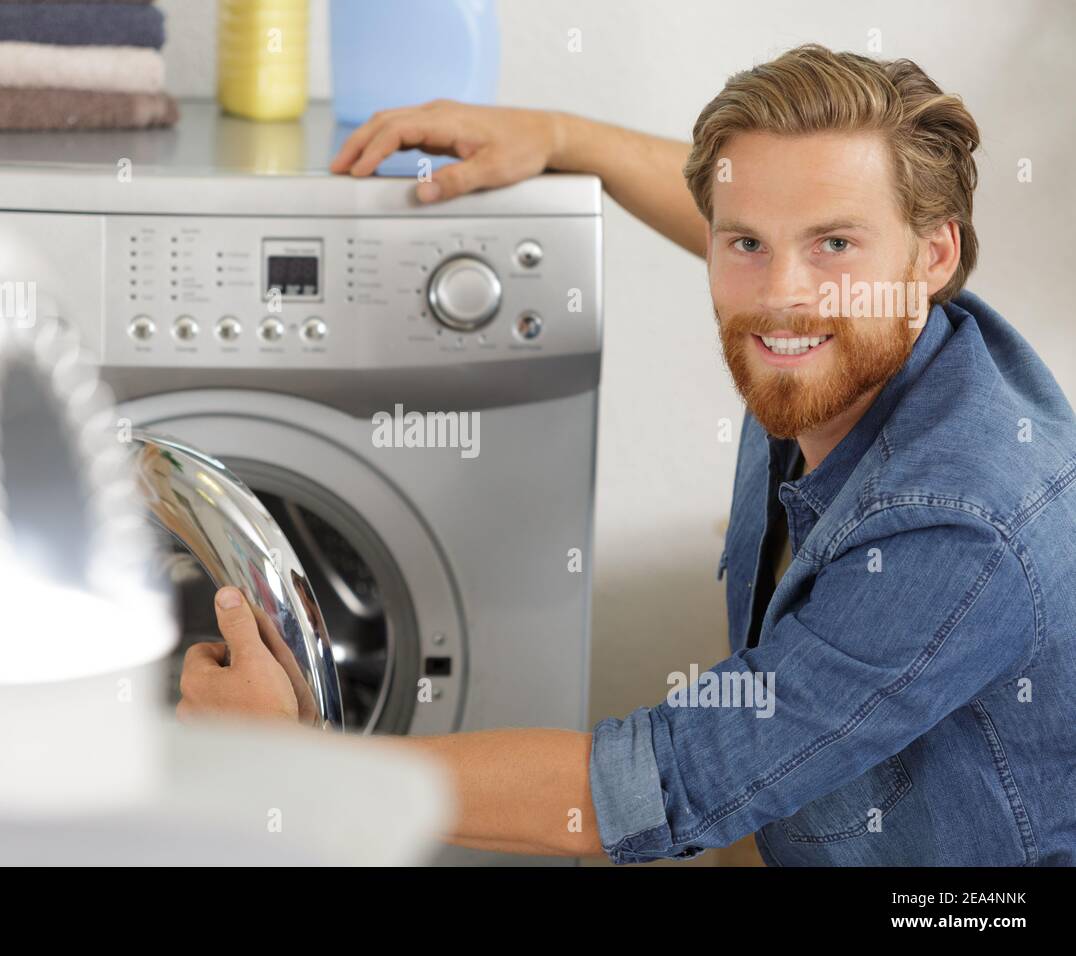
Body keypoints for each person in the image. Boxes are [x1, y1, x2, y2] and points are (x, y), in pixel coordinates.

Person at [178, 44, 1076, 865]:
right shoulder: (861, 337)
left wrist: (298, 769)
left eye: (834, 243)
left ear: (932, 255)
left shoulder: (957, 524)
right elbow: (767, 232)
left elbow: (663, 783)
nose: (783, 298)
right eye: (745, 246)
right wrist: (567, 139)